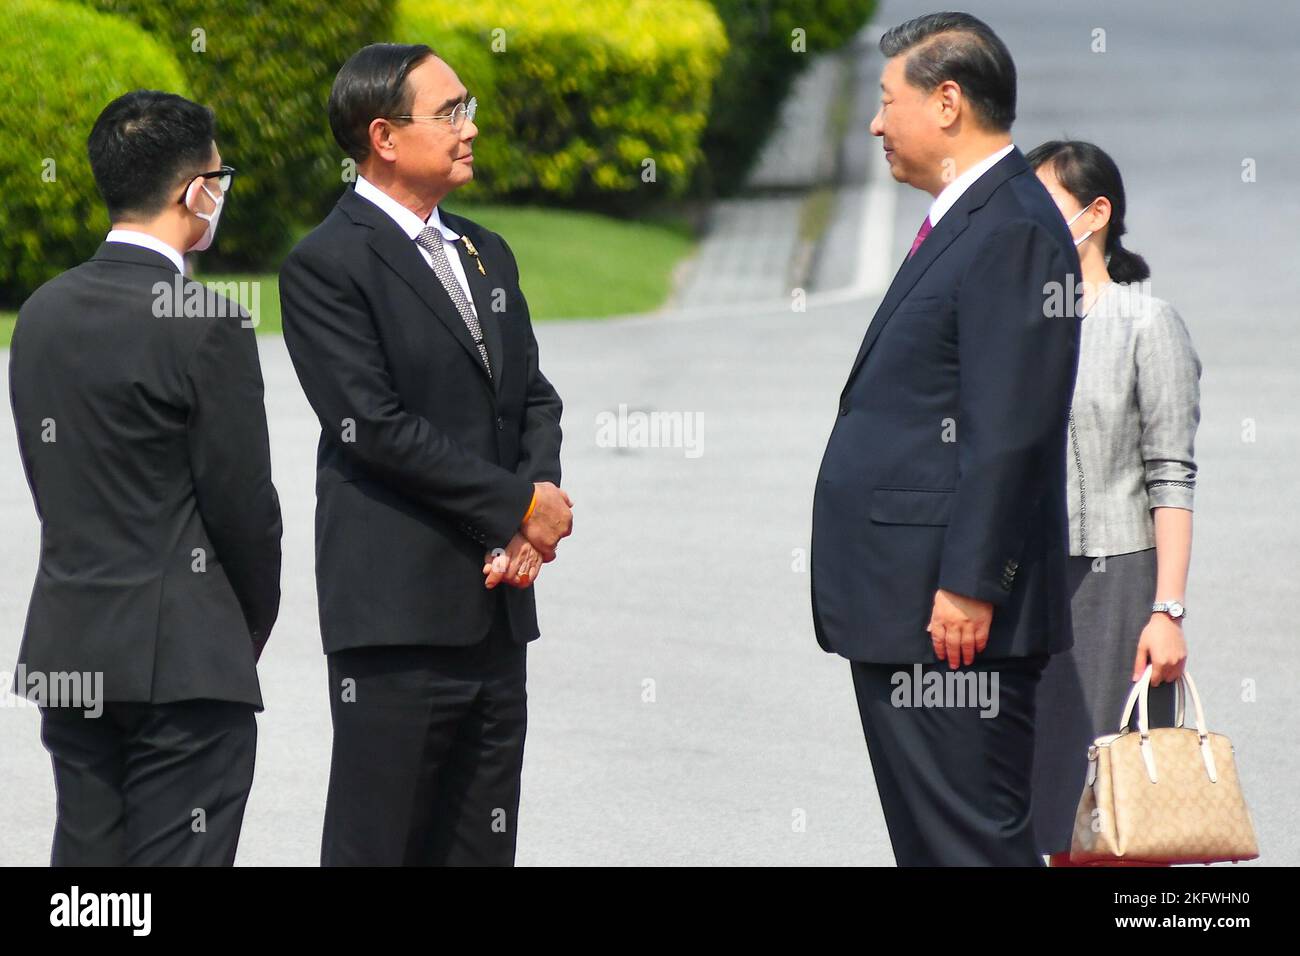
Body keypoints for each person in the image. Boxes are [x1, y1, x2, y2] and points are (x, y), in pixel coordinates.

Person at [280, 43, 572, 867]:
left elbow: (533, 398)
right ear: (383, 135)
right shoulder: (326, 265)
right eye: (449, 113)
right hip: (399, 618)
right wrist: (514, 508)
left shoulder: (486, 251)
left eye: (466, 107)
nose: (469, 128)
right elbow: (372, 427)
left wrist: (537, 498)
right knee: (383, 843)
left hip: (496, 609)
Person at [810, 12, 1081, 865]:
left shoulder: (1013, 229)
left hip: (955, 620)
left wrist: (972, 583)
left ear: (949, 102)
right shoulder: (970, 216)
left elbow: (1012, 433)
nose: (877, 122)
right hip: (911, 610)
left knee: (969, 846)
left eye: (889, 101)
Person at [8, 90, 282, 865]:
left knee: (90, 887)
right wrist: (238, 632)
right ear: (197, 192)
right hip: (184, 665)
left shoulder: (41, 314)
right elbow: (245, 514)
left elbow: (51, 475)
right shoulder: (208, 324)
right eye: (218, 179)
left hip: (73, 646)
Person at [1026, 140, 1201, 865]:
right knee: (1036, 799)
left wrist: (1167, 610)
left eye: (1046, 204)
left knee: (1109, 801)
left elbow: (1172, 475)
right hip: (1025, 583)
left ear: (1096, 214)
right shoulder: (1020, 324)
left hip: (1111, 581)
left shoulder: (1145, 324)